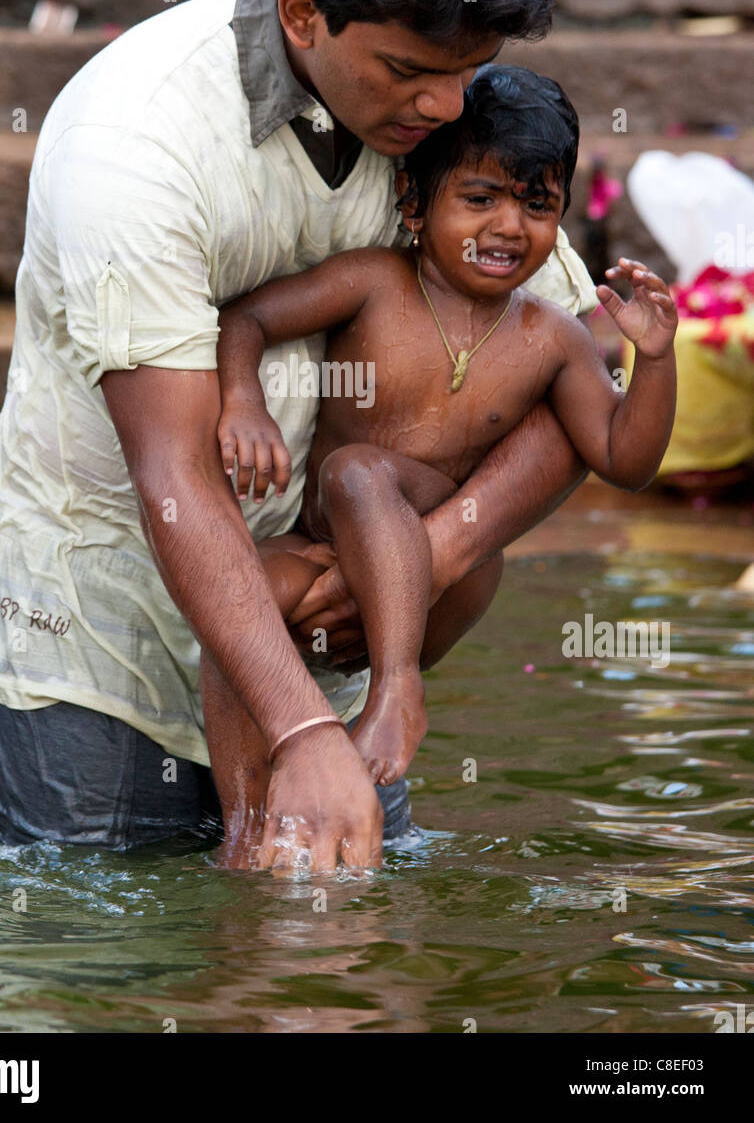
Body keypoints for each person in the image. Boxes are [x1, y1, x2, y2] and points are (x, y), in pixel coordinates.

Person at [0, 0, 597, 872]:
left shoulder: (453, 121)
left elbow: (562, 358)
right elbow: (174, 469)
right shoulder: (139, 144)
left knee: (333, 959)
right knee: (95, 960)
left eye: (470, 65)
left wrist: (430, 556)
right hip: (105, 656)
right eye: (409, 73)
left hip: (338, 645)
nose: (449, 106)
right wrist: (299, 732)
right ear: (302, 15)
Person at [206, 66, 678, 866]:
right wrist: (241, 403)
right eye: (480, 197)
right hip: (325, 547)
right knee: (236, 615)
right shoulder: (374, 285)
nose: (507, 227)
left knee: (359, 469)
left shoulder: (553, 339)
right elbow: (247, 317)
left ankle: (396, 688)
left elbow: (625, 462)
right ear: (416, 206)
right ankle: (250, 831)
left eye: (537, 205)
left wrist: (656, 359)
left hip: (443, 582)